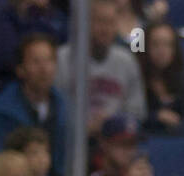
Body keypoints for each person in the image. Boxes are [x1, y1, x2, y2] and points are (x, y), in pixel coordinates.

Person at [0, 33, 68, 176]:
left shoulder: (66, 109)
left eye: (49, 61)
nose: (44, 69)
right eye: (36, 62)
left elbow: (66, 165)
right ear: (20, 69)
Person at [56, 0, 147, 133]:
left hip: (116, 141)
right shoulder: (62, 58)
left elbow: (137, 113)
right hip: (71, 141)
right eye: (100, 21)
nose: (106, 29)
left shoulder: (127, 61)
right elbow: (55, 110)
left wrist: (111, 123)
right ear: (84, 23)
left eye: (111, 23)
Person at [0, 0, 68, 97]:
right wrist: (33, 13)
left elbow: (65, 49)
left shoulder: (57, 17)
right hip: (12, 88)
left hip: (54, 87)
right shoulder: (2, 18)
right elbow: (10, 58)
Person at [139, 21, 184, 141]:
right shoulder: (137, 76)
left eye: (168, 45)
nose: (162, 51)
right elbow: (133, 113)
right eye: (155, 44)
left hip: (180, 132)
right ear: (145, 47)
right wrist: (156, 117)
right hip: (146, 131)